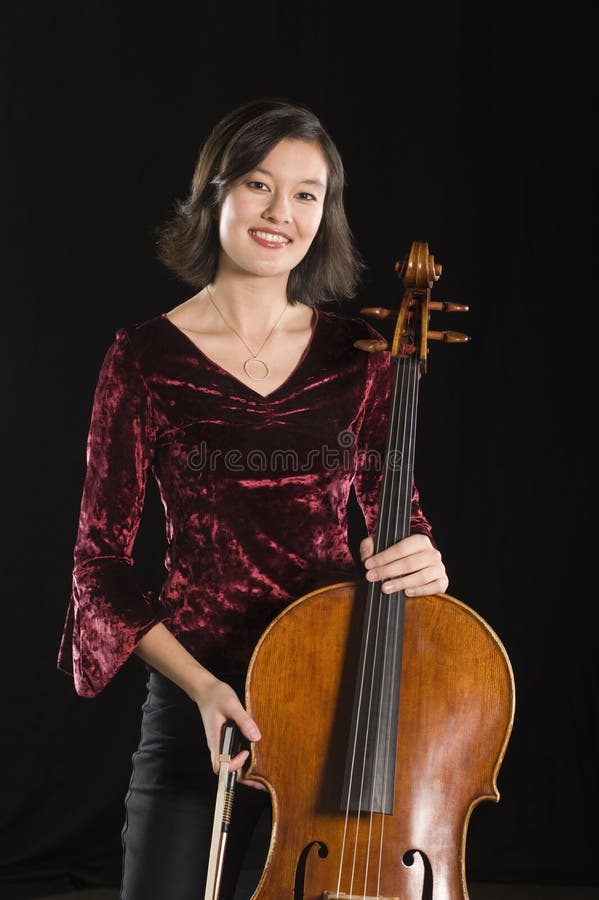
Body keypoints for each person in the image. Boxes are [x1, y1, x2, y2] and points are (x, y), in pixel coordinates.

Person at [57, 97, 448, 900]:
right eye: (260, 185)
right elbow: (98, 567)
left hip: (341, 699)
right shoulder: (144, 358)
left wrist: (419, 561)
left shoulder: (362, 355)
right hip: (198, 701)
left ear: (324, 214)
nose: (282, 213)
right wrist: (202, 690)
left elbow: (395, 520)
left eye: (307, 193)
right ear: (215, 194)